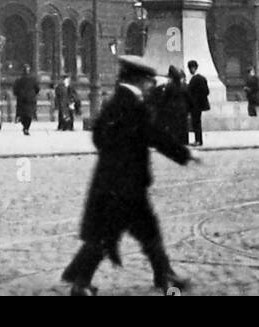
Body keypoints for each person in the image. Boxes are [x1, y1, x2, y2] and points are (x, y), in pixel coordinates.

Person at [60, 56, 195, 296]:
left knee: (123, 233)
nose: (151, 84)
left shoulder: (118, 102)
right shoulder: (133, 105)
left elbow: (99, 136)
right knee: (134, 233)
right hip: (126, 186)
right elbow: (153, 135)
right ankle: (82, 284)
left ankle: (163, 277)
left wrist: (114, 156)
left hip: (114, 183)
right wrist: (182, 154)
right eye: (148, 80)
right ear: (139, 80)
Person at [150, 66, 191, 146]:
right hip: (183, 109)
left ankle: (175, 142)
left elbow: (165, 98)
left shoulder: (169, 86)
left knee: (174, 126)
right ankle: (184, 142)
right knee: (183, 126)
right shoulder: (184, 86)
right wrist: (189, 108)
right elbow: (189, 98)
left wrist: (161, 106)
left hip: (172, 109)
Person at [186, 60, 210, 146]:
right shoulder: (202, 78)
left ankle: (198, 140)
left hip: (194, 105)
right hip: (200, 104)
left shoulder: (193, 80)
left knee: (195, 123)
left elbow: (189, 92)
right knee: (197, 122)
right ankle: (199, 140)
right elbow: (207, 91)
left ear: (193, 68)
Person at [13, 65, 41, 136]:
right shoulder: (33, 79)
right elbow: (37, 88)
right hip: (30, 99)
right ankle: (26, 128)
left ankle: (25, 127)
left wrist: (18, 94)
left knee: (23, 115)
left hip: (22, 99)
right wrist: (34, 94)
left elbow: (15, 89)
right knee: (29, 115)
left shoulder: (19, 80)